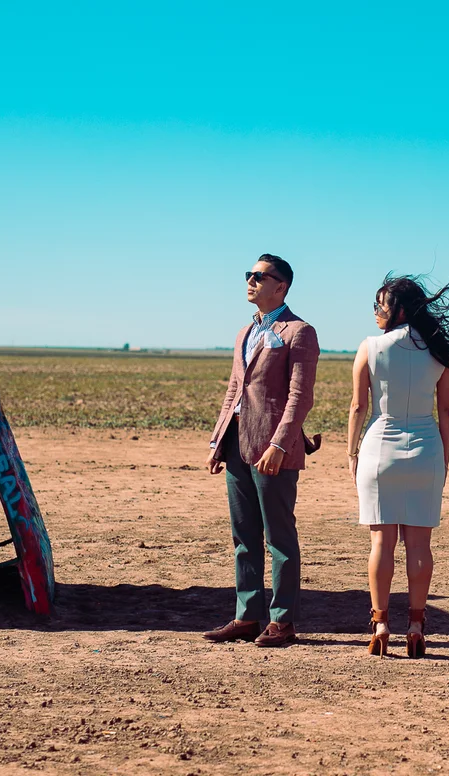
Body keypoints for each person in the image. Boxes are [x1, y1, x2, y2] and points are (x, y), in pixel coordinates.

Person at [348, 275, 449, 657]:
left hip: (379, 448)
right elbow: (447, 412)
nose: (375, 311)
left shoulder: (369, 348)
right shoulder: (439, 351)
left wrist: (351, 451)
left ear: (399, 309)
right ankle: (416, 624)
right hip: (426, 448)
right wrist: (444, 457)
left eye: (380, 304)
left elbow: (358, 407)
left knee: (381, 542)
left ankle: (381, 622)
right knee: (419, 544)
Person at [201, 254, 320, 648]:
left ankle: (282, 621)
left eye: (259, 276)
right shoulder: (243, 333)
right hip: (238, 444)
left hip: (273, 449)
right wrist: (218, 442)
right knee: (243, 536)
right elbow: (233, 392)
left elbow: (300, 398)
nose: (250, 281)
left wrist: (279, 444)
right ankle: (247, 616)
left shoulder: (299, 332)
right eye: (248, 275)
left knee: (279, 536)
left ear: (281, 286)